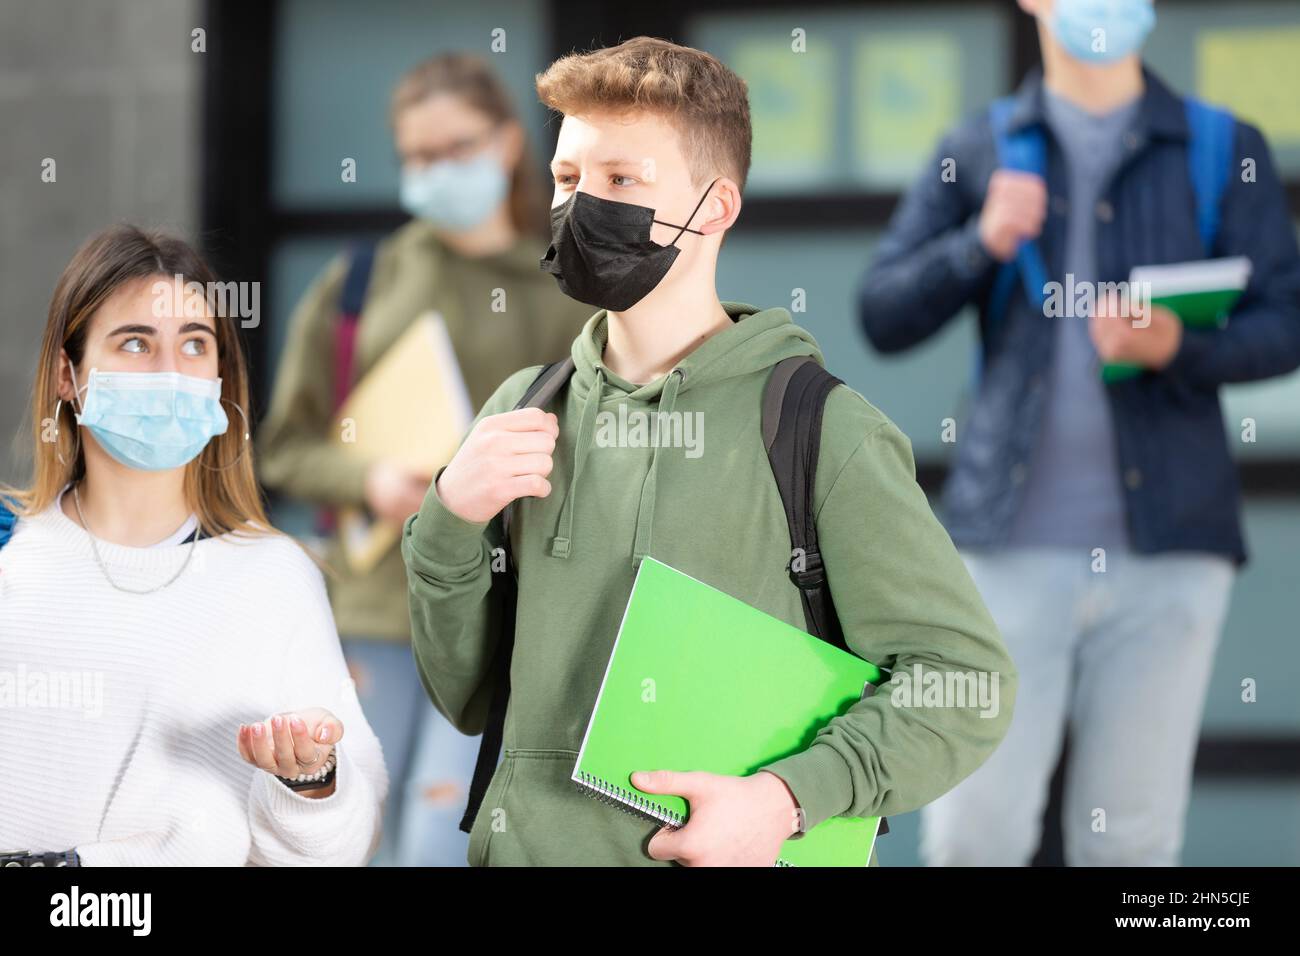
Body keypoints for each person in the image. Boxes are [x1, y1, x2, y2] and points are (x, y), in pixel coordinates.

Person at [402, 36, 1017, 867]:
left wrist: (785, 800)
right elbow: (469, 698)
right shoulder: (522, 410)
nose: (584, 205)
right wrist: (446, 521)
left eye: (623, 180)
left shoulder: (820, 430)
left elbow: (965, 683)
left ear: (716, 207)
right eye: (570, 179)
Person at [858, 0, 1300, 865]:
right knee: (974, 833)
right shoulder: (975, 148)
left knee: (1131, 840)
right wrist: (978, 244)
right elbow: (881, 312)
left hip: (1172, 549)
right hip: (1006, 547)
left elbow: (1287, 320)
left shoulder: (1222, 147)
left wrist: (1181, 344)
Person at [257, 52, 589, 866]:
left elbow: (598, 453)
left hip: (501, 617)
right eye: (418, 156)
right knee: (338, 836)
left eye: (457, 148)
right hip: (370, 612)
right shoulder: (362, 281)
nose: (438, 170)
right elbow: (283, 446)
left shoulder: (564, 284)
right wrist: (367, 480)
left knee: (441, 844)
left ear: (510, 142)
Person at [0, 224, 387, 866]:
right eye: (134, 343)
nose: (170, 373)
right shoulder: (11, 556)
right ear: (68, 376)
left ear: (220, 377)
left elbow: (341, 849)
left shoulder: (274, 578)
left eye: (194, 344)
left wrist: (308, 781)